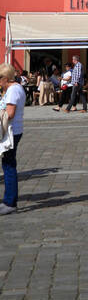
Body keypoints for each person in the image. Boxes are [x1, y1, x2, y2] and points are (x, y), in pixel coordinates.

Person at [0, 64, 26, 215]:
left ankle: (10, 202)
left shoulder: (13, 90)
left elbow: (9, 114)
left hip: (11, 131)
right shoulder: (15, 88)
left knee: (9, 166)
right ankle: (9, 200)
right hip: (14, 130)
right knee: (8, 164)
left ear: (5, 78)